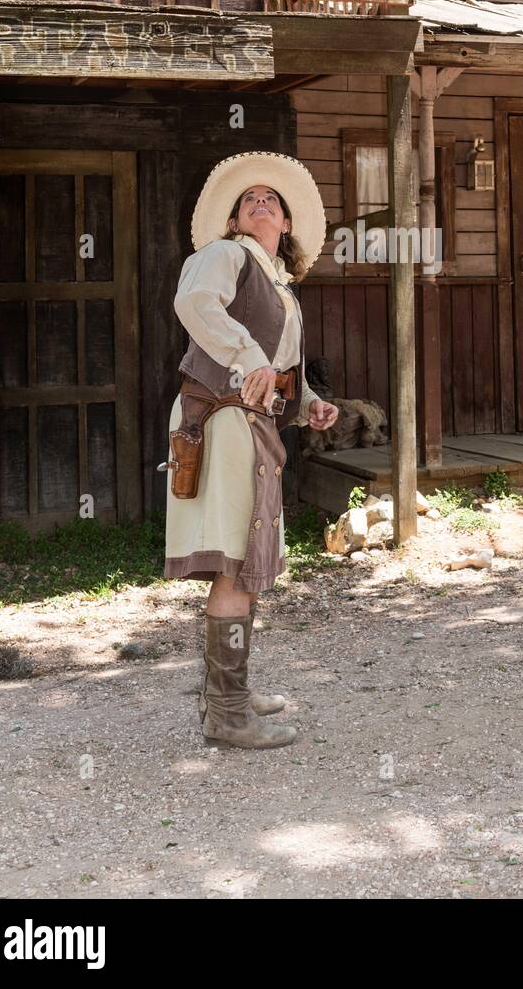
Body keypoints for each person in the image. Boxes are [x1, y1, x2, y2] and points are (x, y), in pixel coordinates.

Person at [163, 152, 339, 750]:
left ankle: (226, 694)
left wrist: (308, 398)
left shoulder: (280, 286)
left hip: (253, 422)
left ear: (285, 223)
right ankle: (228, 712)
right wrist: (248, 358)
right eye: (249, 200)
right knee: (238, 560)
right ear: (235, 221)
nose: (260, 204)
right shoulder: (225, 255)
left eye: (271, 200)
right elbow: (194, 305)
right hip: (221, 418)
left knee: (248, 557)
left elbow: (278, 367)